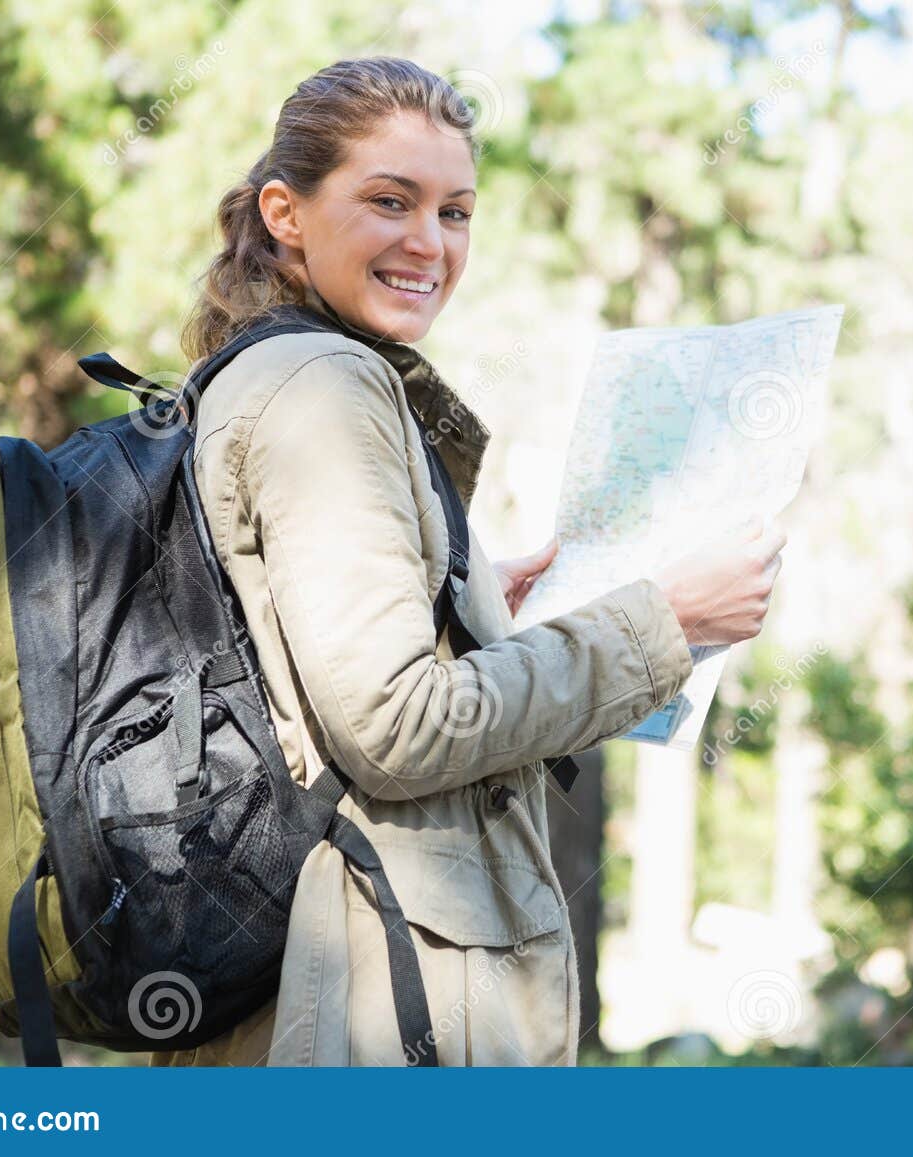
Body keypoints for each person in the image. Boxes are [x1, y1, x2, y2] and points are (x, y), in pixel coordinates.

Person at [150, 56, 786, 1067]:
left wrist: (479, 603)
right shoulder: (324, 385)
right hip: (375, 1003)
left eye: (456, 212)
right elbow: (397, 728)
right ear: (285, 210)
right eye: (389, 201)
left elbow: (323, 684)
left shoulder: (280, 368)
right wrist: (662, 621)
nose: (428, 243)